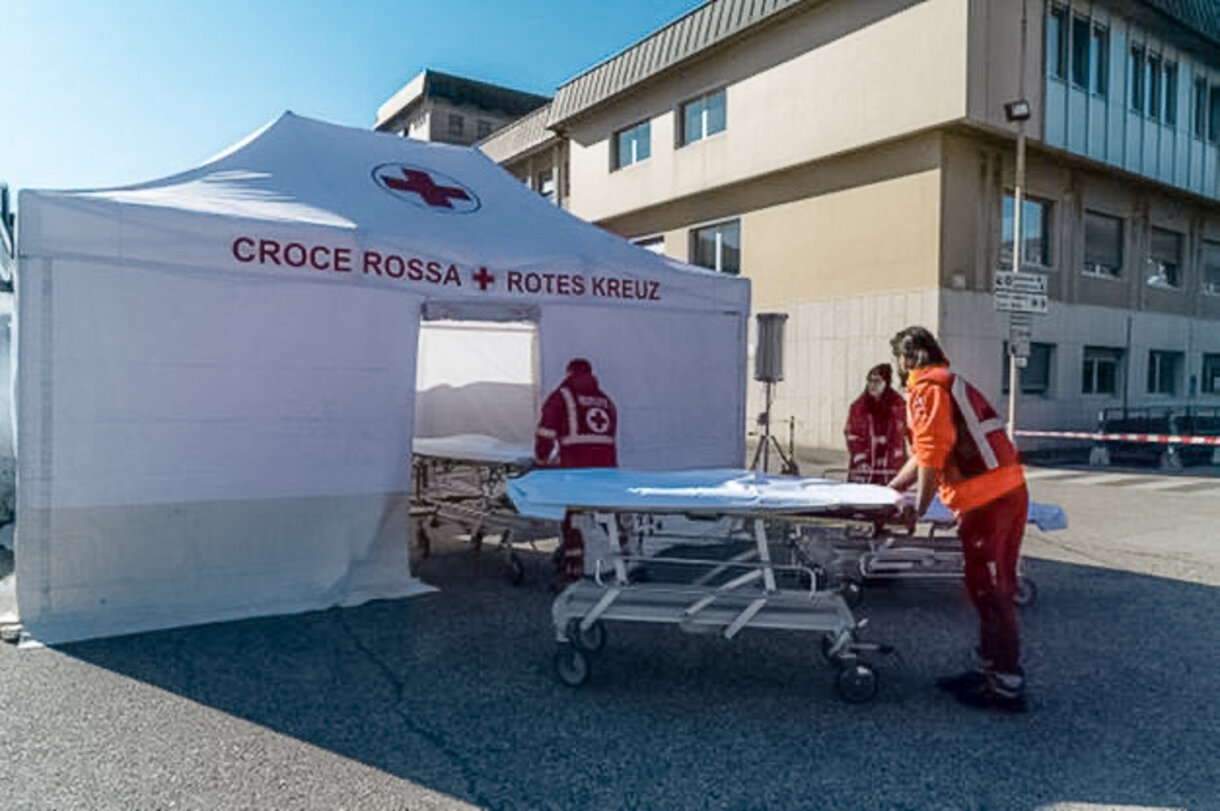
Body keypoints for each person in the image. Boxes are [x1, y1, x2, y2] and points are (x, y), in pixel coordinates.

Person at [885, 326, 1030, 713]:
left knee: (991, 591)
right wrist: (893, 487)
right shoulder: (948, 383)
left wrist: (917, 507)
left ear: (908, 358)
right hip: (1006, 491)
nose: (900, 369)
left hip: (988, 499)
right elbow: (924, 453)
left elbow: (931, 454)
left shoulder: (927, 389)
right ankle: (992, 671)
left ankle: (1005, 685)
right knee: (990, 585)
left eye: (900, 359)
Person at [535, 358, 618, 585]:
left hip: (576, 471)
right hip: (607, 471)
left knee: (574, 519)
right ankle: (614, 564)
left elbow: (545, 433)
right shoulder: (605, 400)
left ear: (569, 372)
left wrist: (541, 460)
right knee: (604, 518)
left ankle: (575, 570)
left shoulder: (561, 397)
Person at [844, 362, 907, 485]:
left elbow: (905, 433)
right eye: (870, 381)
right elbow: (852, 435)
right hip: (864, 465)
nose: (872, 385)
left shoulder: (898, 405)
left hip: (891, 465)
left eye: (877, 381)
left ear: (886, 383)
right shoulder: (859, 407)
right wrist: (861, 459)